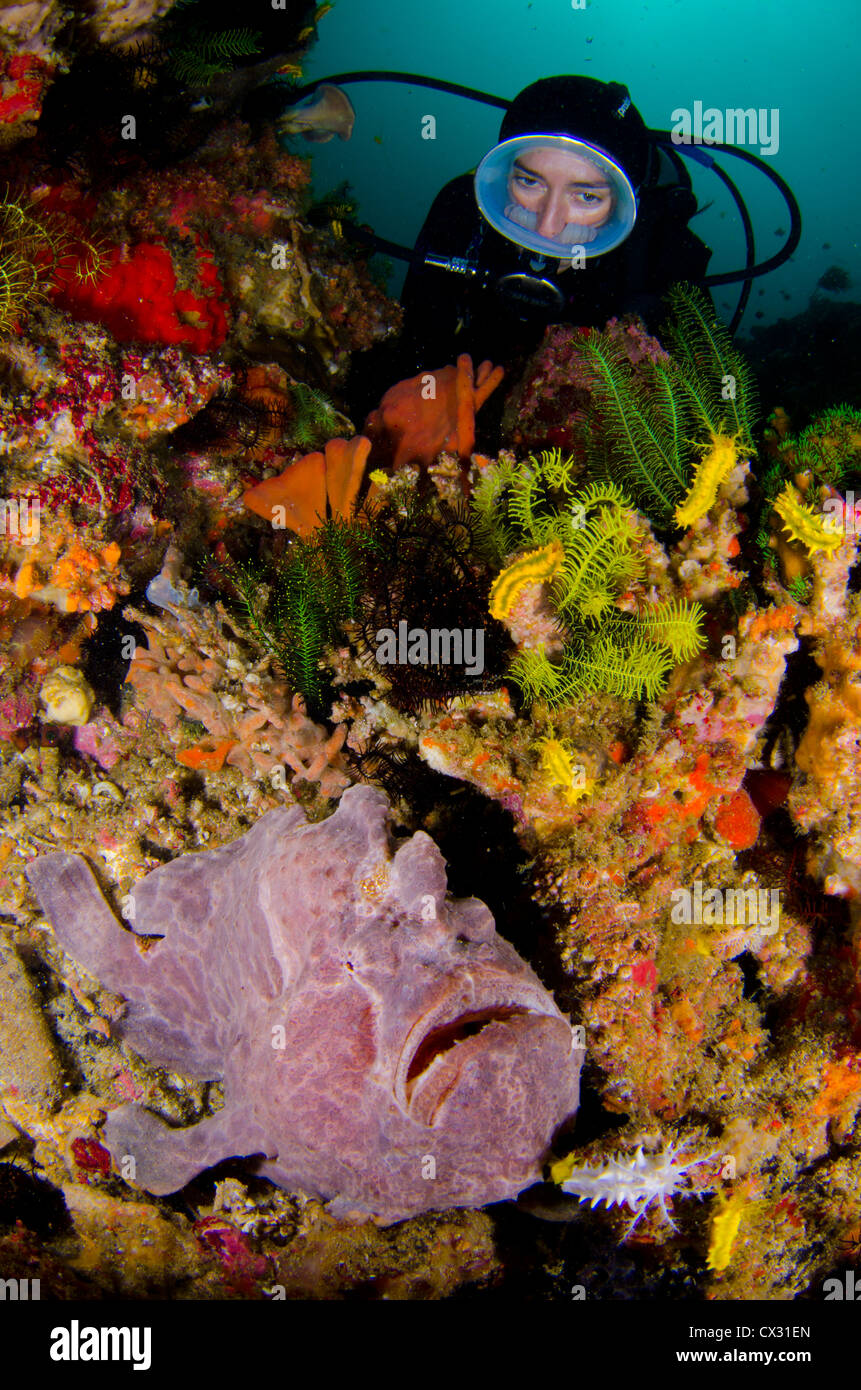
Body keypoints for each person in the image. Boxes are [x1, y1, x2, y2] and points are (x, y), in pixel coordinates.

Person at [347, 74, 712, 419]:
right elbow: (415, 348)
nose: (548, 226)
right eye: (528, 181)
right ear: (502, 177)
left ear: (621, 204)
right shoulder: (461, 212)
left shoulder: (660, 264)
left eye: (586, 196)